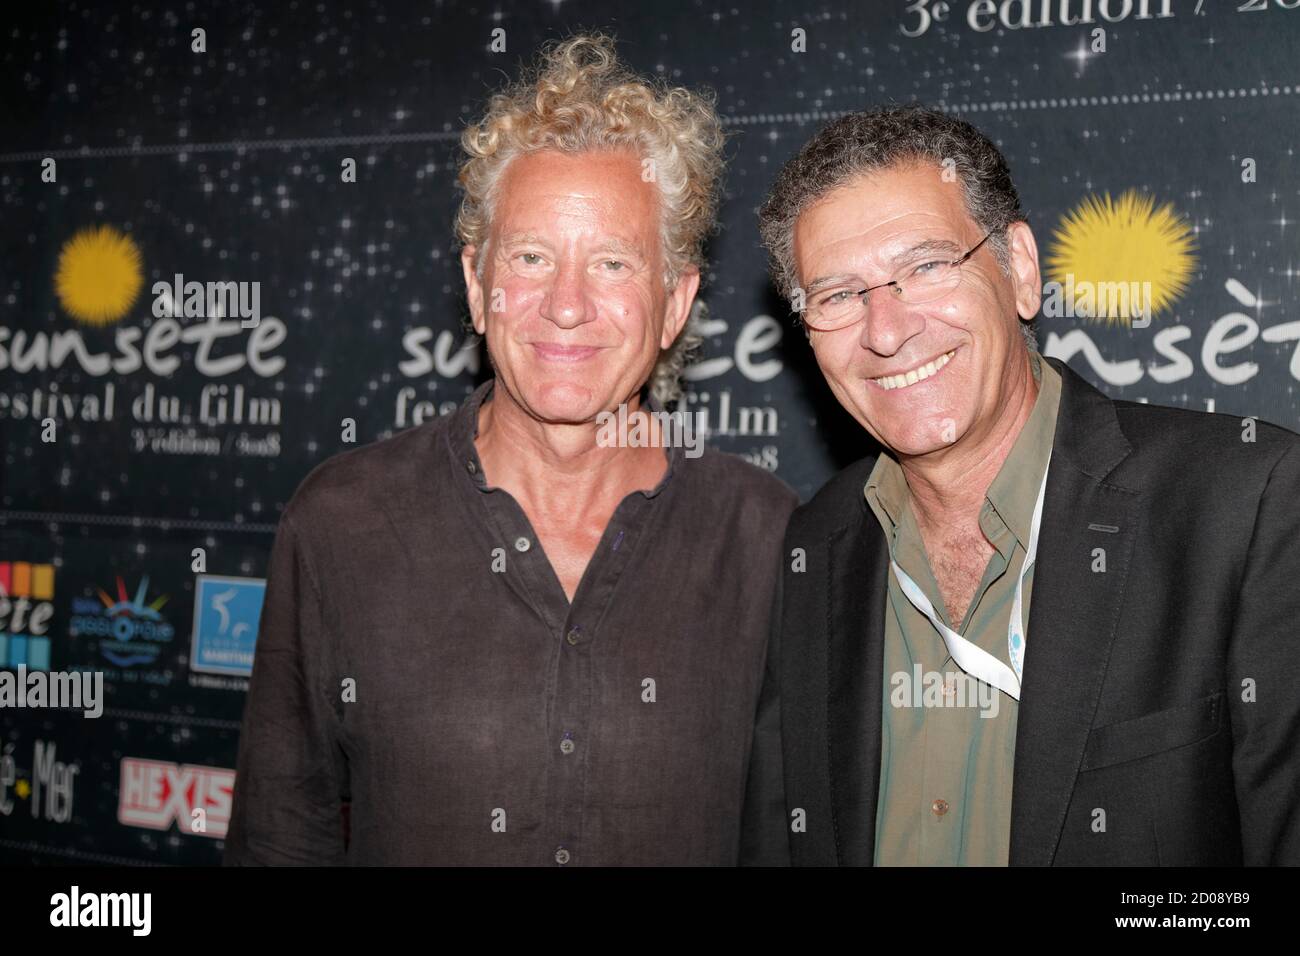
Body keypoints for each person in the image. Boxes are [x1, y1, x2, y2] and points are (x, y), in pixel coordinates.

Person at [225, 34, 796, 866]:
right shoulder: (342, 522)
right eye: (531, 257)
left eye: (611, 262)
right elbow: (282, 836)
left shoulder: (766, 538)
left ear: (674, 304)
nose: (566, 306)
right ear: (475, 285)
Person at [741, 104, 1300, 866]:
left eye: (928, 266)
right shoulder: (816, 544)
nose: (885, 328)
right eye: (838, 296)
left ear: (1022, 271)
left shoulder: (1245, 507)